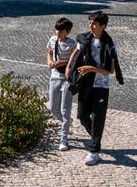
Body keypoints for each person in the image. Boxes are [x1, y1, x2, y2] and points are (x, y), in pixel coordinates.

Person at [67, 11, 124, 165]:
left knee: (98, 118)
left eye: (94, 23)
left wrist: (92, 69)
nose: (91, 26)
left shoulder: (108, 44)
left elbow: (110, 71)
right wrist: (69, 68)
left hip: (101, 86)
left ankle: (94, 151)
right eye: (89, 22)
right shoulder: (84, 38)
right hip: (86, 83)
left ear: (103, 26)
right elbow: (76, 51)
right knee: (82, 116)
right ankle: (95, 139)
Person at [46, 17, 76, 151]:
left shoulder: (72, 44)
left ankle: (64, 139)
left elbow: (73, 60)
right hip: (55, 77)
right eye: (56, 30)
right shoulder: (52, 40)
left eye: (61, 31)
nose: (57, 33)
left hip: (67, 79)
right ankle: (67, 122)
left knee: (65, 109)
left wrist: (61, 63)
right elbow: (50, 52)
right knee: (53, 108)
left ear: (67, 31)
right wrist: (50, 62)